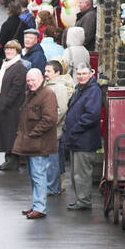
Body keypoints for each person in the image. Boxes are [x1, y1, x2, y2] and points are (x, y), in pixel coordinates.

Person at [13, 68, 58, 218]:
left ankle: (40, 207)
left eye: (33, 80)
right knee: (34, 176)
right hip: (30, 143)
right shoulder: (30, 94)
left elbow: (50, 119)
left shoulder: (47, 95)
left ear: (41, 79)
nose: (30, 83)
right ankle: (36, 205)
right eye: (28, 81)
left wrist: (33, 134)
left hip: (39, 143)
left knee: (38, 175)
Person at [60, 63, 102, 210]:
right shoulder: (80, 88)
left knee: (82, 173)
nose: (81, 76)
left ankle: (84, 202)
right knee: (76, 173)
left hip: (84, 139)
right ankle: (81, 200)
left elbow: (92, 115)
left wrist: (74, 129)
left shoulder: (93, 90)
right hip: (77, 138)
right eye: (79, 74)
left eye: (84, 73)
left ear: (91, 73)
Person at [0, 37, 27, 171]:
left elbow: (16, 89)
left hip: (11, 108)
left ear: (18, 52)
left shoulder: (19, 68)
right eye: (7, 49)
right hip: (3, 105)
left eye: (12, 49)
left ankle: (12, 161)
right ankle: (8, 160)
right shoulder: (6, 65)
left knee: (10, 134)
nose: (8, 51)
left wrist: (4, 104)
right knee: (5, 134)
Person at [43, 58, 73, 196]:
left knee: (52, 161)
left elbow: (61, 109)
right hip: (50, 128)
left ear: (57, 72)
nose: (46, 73)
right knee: (54, 159)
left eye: (49, 71)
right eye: (45, 70)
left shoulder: (59, 87)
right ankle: (53, 186)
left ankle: (52, 188)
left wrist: (48, 124)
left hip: (53, 130)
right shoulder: (49, 84)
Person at [0, 0, 24, 65]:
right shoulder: (23, 24)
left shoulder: (6, 24)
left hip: (8, 55)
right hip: (19, 54)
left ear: (9, 10)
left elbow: (1, 42)